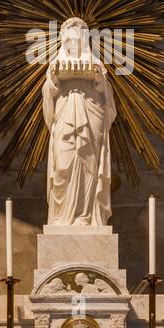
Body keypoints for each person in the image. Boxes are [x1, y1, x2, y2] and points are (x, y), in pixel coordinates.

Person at [42, 18, 117, 227]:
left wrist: (98, 80)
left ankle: (85, 217)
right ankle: (61, 217)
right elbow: (48, 94)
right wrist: (54, 81)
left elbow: (107, 99)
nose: (73, 45)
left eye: (77, 40)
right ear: (64, 42)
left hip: (91, 116)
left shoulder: (97, 65)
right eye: (69, 41)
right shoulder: (54, 66)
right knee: (62, 165)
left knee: (89, 164)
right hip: (65, 117)